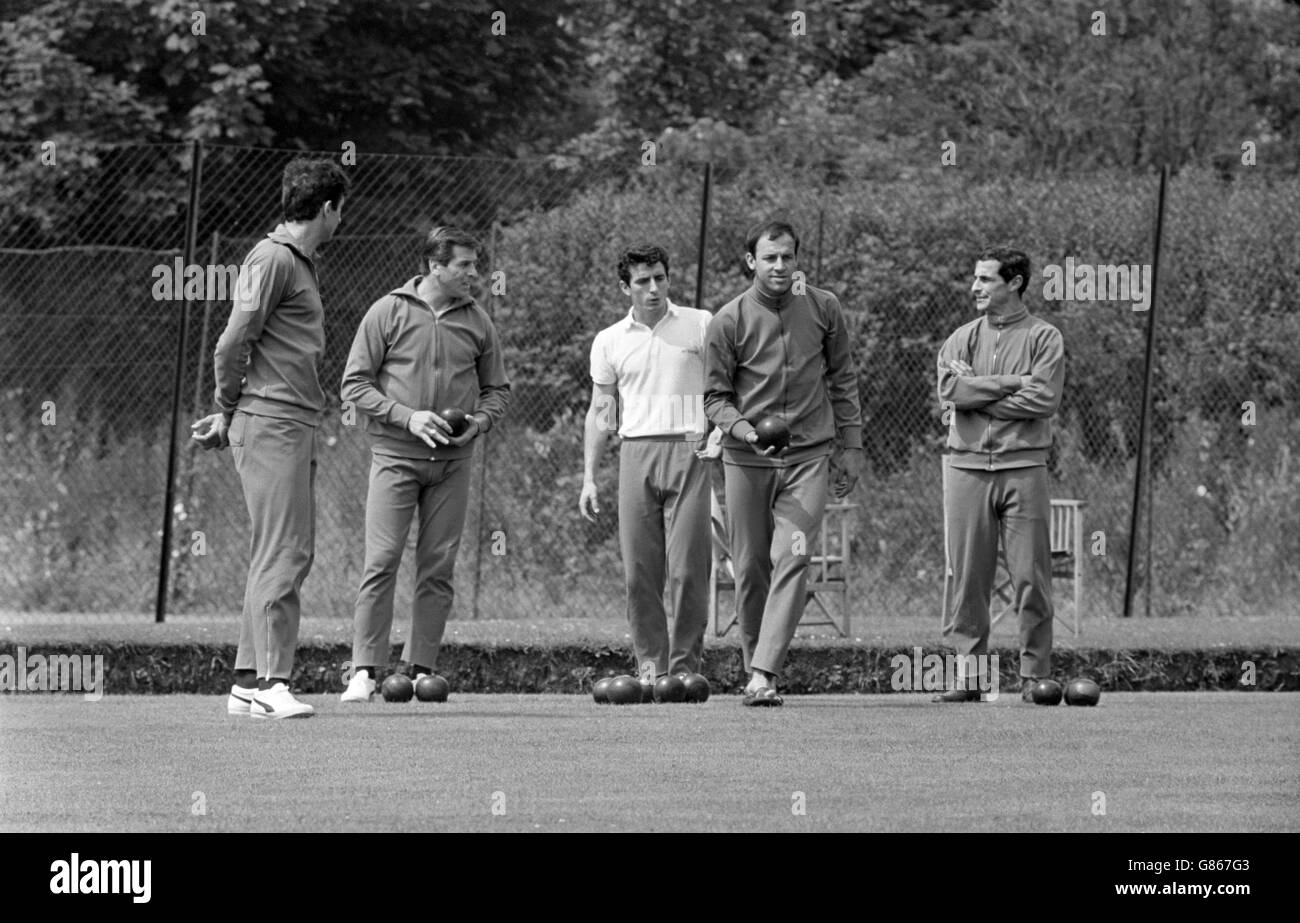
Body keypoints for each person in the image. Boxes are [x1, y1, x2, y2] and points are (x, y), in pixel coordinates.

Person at [191, 157, 350, 719]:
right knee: (287, 551)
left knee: (275, 552)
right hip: (274, 422)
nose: (340, 220)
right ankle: (271, 683)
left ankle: (244, 683)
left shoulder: (296, 262)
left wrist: (228, 414)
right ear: (329, 208)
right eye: (340, 210)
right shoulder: (273, 258)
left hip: (290, 422)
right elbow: (232, 342)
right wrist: (225, 408)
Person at [338, 226, 511, 702]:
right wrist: (407, 417)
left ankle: (419, 671)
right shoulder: (387, 310)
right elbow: (354, 384)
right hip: (395, 456)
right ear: (435, 266)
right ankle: (364, 671)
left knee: (437, 566)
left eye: (476, 265)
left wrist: (477, 423)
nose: (475, 274)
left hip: (454, 464)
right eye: (465, 265)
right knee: (382, 560)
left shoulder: (478, 321)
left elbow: (498, 391)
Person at [704, 220, 864, 706]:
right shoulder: (727, 320)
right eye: (770, 257)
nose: (780, 265)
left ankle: (762, 674)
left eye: (788, 256)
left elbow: (843, 378)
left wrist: (851, 446)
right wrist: (748, 431)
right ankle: (758, 672)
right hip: (746, 459)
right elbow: (714, 399)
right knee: (751, 567)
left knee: (792, 556)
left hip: (809, 456)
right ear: (750, 261)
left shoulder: (824, 307)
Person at [934, 246, 1065, 703]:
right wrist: (1013, 383)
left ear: (1015, 283)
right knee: (968, 577)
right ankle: (971, 679)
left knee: (1032, 576)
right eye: (975, 278)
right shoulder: (959, 339)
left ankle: (1035, 678)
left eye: (986, 280)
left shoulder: (1045, 338)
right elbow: (949, 390)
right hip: (964, 468)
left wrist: (978, 396)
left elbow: (1043, 400)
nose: (975, 287)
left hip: (1024, 467)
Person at [579, 245, 712, 682]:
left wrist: (721, 433)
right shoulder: (609, 340)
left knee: (689, 570)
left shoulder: (701, 324)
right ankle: (650, 668)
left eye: (659, 277)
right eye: (642, 281)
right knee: (640, 573)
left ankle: (684, 671)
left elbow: (723, 388)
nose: (653, 288)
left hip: (690, 450)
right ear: (625, 287)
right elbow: (601, 410)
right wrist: (589, 478)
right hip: (635, 453)